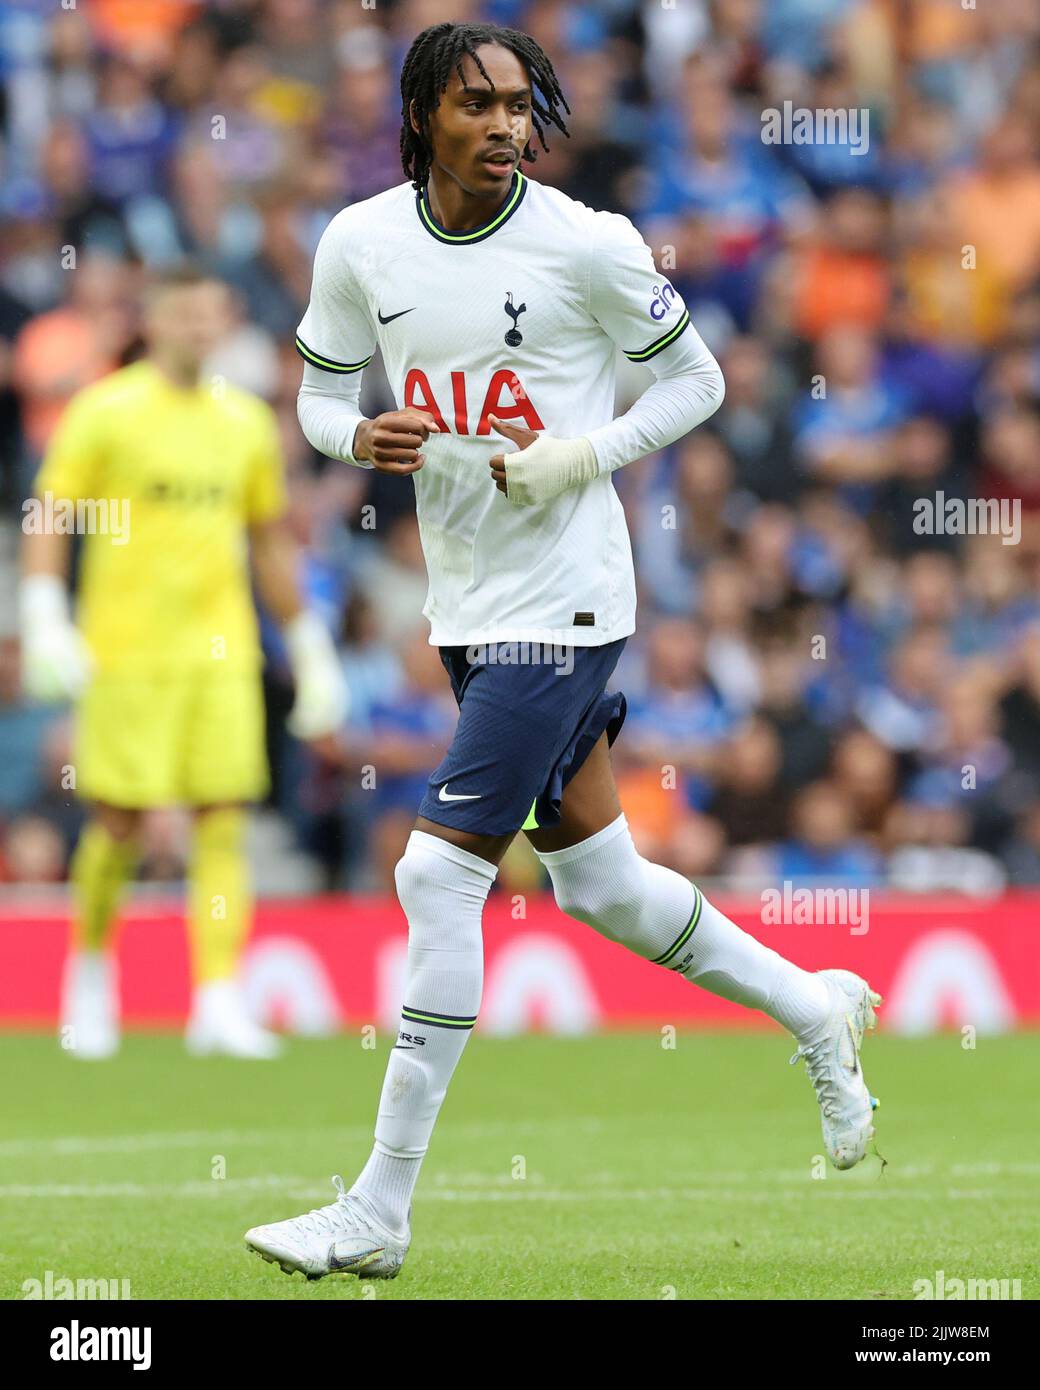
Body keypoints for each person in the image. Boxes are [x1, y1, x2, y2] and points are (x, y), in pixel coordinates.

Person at [244, 20, 880, 1281]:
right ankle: (817, 1004)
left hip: (570, 604)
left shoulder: (586, 242)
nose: (501, 125)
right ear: (422, 111)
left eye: (517, 106)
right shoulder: (361, 241)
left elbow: (693, 380)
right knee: (601, 885)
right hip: (468, 608)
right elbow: (315, 395)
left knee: (438, 880)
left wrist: (581, 455)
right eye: (473, 104)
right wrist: (351, 435)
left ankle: (377, 1208)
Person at [19, 265, 347, 1060]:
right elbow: (52, 510)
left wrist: (307, 642)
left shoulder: (243, 423)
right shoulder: (106, 409)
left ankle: (217, 999)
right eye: (186, 316)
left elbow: (267, 536)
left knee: (224, 818)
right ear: (154, 321)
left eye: (213, 316)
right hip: (127, 651)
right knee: (119, 824)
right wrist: (42, 612)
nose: (201, 330)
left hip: (222, 653)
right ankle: (90, 975)